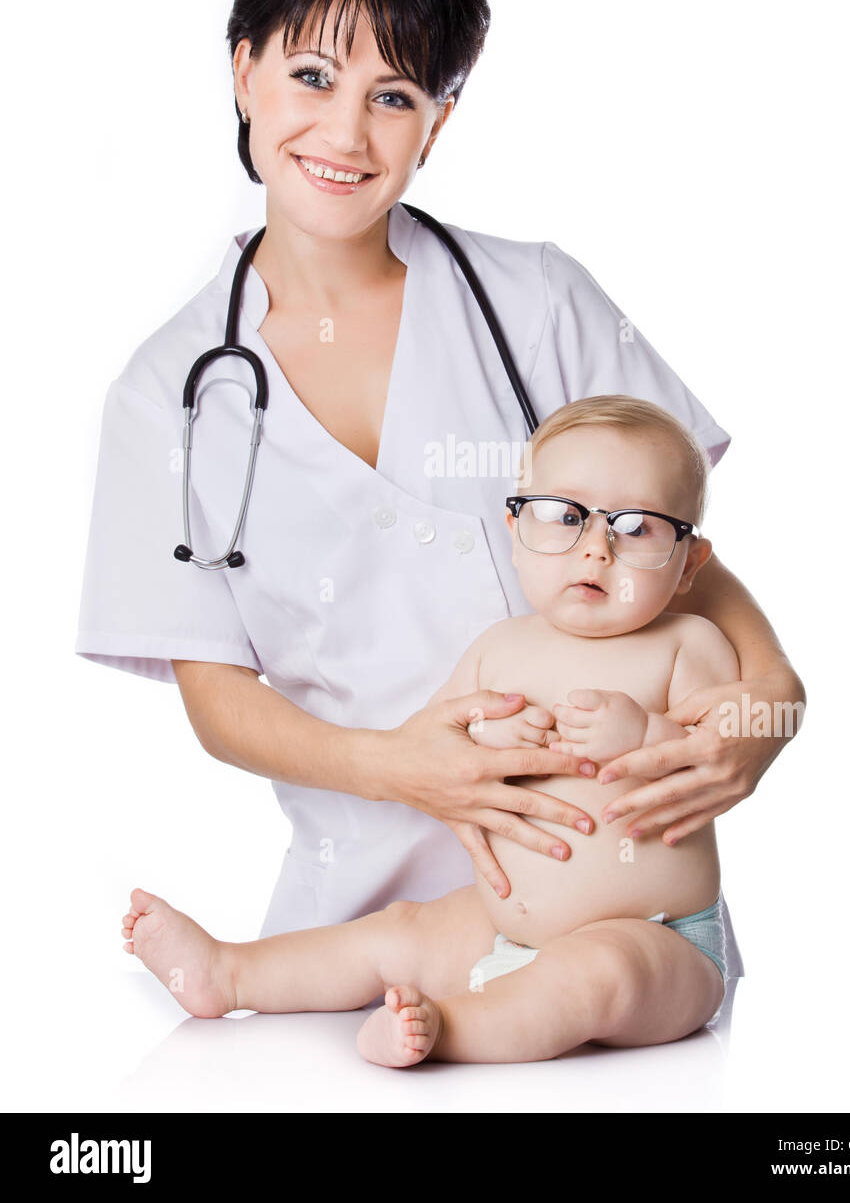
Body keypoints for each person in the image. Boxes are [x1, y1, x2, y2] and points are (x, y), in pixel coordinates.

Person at [77, 0, 804, 991]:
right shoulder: (164, 395)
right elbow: (218, 698)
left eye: (394, 96)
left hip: (608, 907)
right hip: (346, 939)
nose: (345, 134)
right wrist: (402, 769)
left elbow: (673, 549)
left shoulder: (539, 302)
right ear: (243, 74)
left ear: (438, 119)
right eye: (311, 77)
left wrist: (766, 695)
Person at [121, 397, 747, 1065]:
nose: (597, 546)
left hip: (659, 940)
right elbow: (434, 747)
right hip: (503, 926)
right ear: (514, 531)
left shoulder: (688, 645)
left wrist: (647, 734)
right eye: (566, 516)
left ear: (689, 563)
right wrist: (489, 742)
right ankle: (229, 972)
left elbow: (720, 760)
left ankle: (448, 1028)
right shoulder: (498, 648)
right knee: (401, 929)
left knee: (598, 974)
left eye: (638, 526)